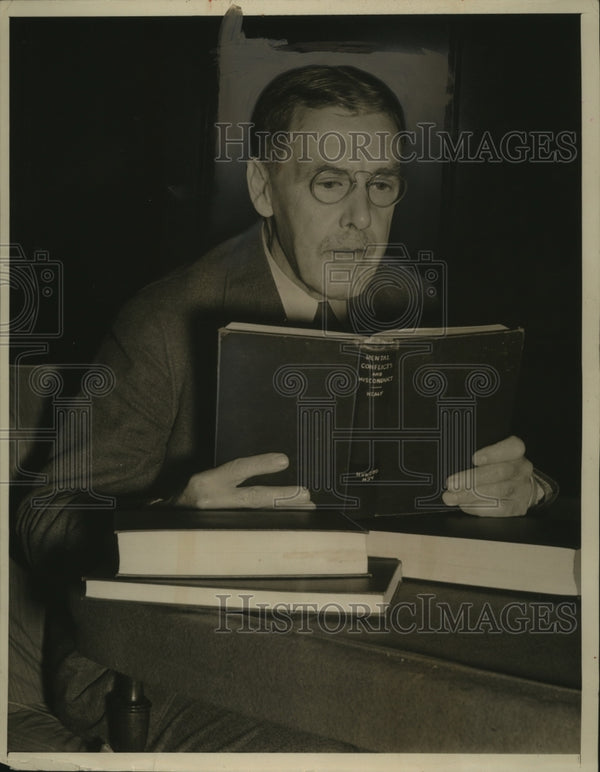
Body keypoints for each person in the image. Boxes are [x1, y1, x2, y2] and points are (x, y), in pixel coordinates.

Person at [12, 64, 555, 752]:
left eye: (381, 186)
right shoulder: (164, 318)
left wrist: (527, 486)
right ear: (264, 189)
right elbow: (43, 518)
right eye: (329, 184)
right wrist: (169, 519)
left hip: (345, 638)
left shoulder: (405, 301)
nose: (361, 221)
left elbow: (499, 461)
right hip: (154, 661)